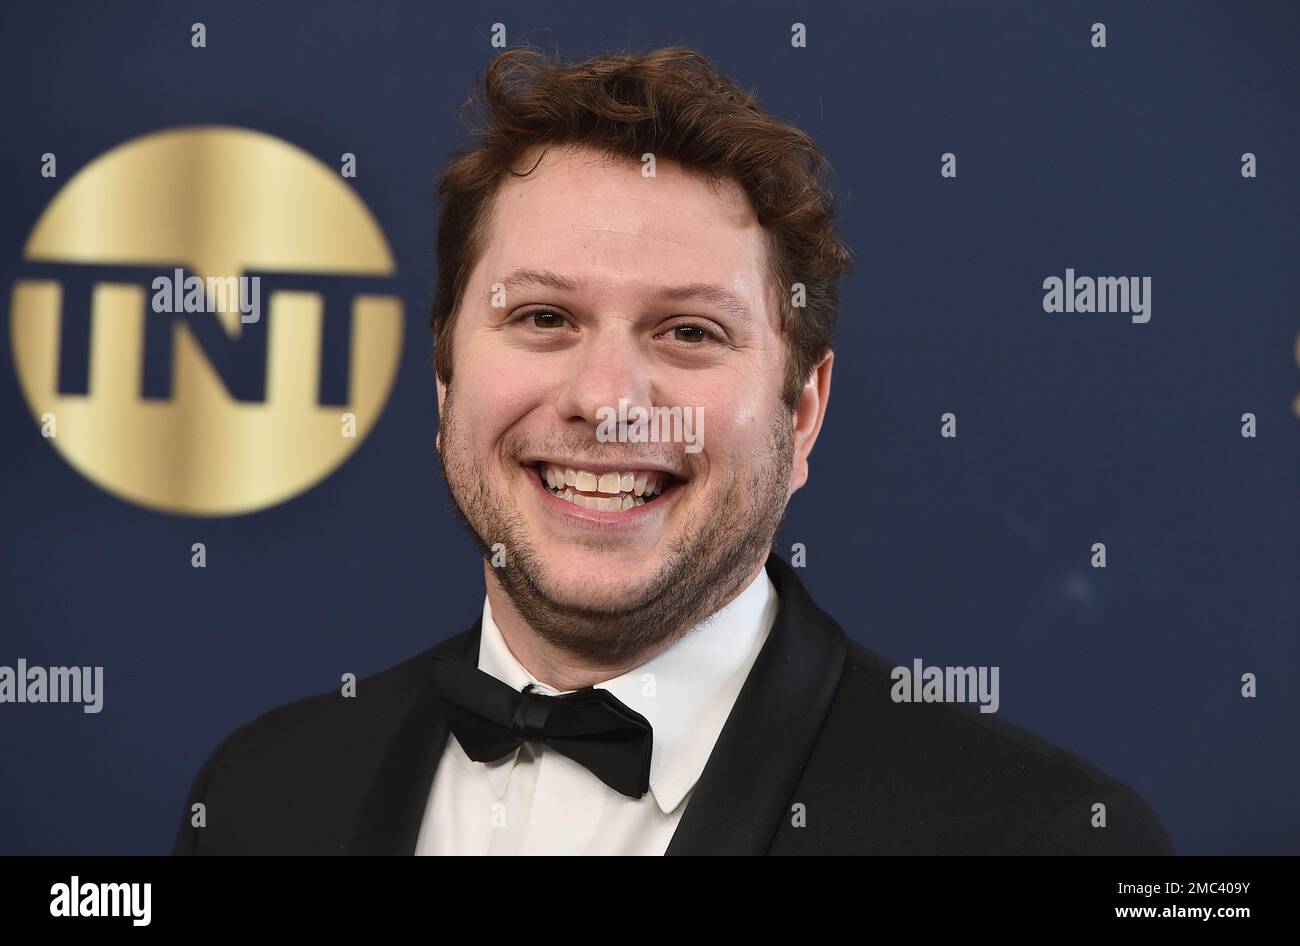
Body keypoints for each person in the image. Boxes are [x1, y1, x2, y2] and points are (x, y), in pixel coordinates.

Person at [172, 46, 1173, 855]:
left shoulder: (1039, 840)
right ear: (443, 382)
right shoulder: (262, 794)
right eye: (543, 316)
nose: (608, 402)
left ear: (804, 413)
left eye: (689, 332)